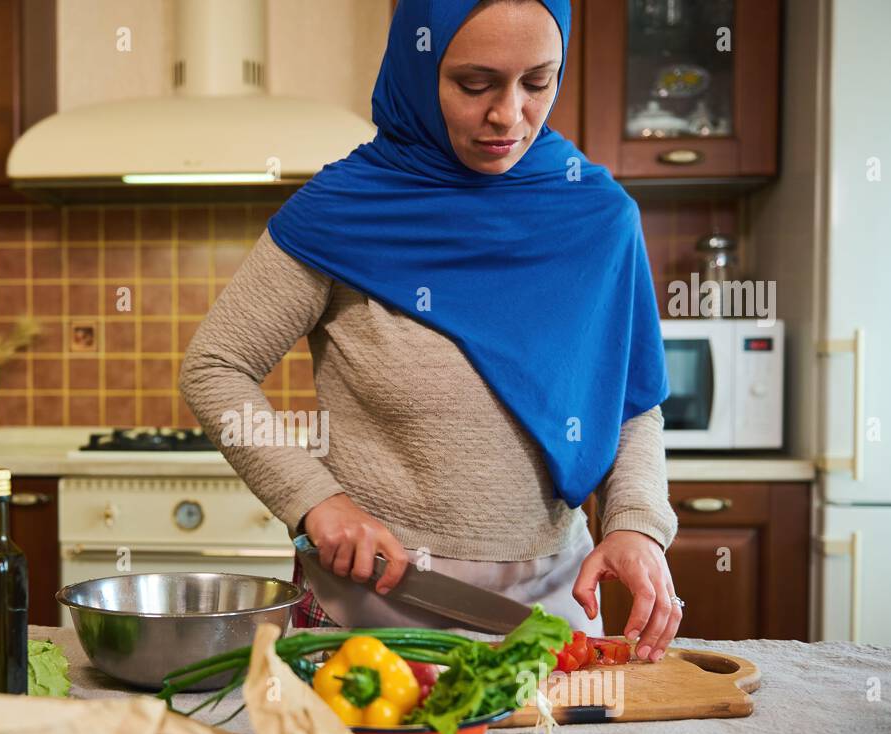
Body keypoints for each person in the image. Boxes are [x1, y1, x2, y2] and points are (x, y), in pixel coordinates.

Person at [180, 0, 683, 662]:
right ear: (419, 69)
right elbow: (215, 366)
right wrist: (315, 501)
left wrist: (637, 525)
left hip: (551, 609)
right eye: (475, 84)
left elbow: (631, 403)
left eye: (538, 81)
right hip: (369, 607)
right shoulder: (345, 210)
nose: (509, 115)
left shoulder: (597, 216)